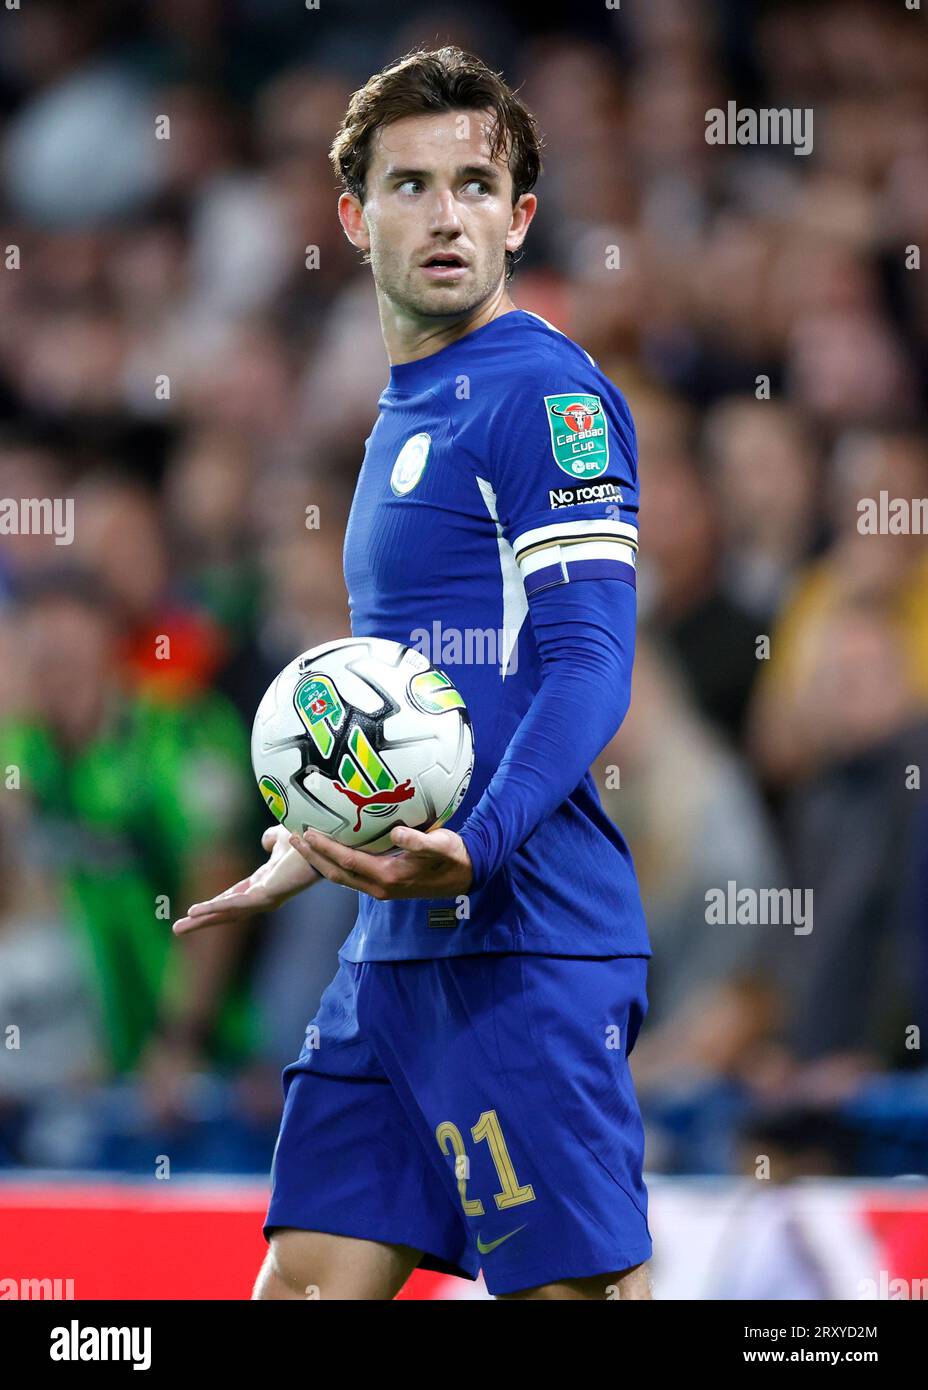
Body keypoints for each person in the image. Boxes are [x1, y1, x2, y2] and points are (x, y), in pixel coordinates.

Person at [174, 46, 653, 1301]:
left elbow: (591, 660)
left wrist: (481, 844)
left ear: (520, 215)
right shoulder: (404, 407)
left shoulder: (545, 394)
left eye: (475, 185)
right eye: (410, 185)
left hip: (527, 939)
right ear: (353, 216)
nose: (446, 215)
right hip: (394, 945)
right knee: (302, 1288)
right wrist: (313, 834)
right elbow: (415, 704)